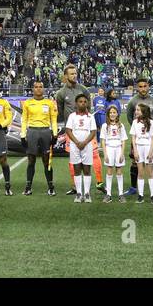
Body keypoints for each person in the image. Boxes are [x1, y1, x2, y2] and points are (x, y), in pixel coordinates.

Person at [53, 64, 95, 195]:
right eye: (71, 74)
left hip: (86, 131)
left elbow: (89, 106)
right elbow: (59, 112)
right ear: (65, 76)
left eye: (75, 73)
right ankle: (75, 187)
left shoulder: (84, 89)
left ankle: (89, 187)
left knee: (89, 159)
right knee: (74, 161)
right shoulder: (60, 93)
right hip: (71, 132)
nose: (74, 75)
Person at [125, 77, 153, 197]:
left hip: (151, 137)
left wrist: (151, 131)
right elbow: (129, 117)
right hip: (138, 137)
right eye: (140, 86)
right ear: (137, 87)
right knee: (134, 161)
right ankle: (133, 188)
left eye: (145, 86)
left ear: (148, 86)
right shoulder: (133, 101)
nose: (143, 89)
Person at [21, 80, 58, 196]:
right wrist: (23, 135)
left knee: (47, 161)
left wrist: (55, 134)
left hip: (45, 131)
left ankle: (51, 187)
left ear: (43, 89)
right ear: (33, 89)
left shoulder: (50, 103)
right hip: (32, 131)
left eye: (40, 87)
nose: (38, 89)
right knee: (31, 160)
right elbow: (24, 120)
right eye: (36, 87)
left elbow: (53, 120)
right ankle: (28, 187)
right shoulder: (27, 103)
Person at [65, 94, 97, 203]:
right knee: (77, 168)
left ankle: (87, 193)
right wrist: (77, 142)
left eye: (84, 101)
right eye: (80, 101)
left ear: (87, 103)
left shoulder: (91, 116)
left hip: (87, 145)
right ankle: (79, 193)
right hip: (75, 146)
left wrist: (84, 142)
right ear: (76, 103)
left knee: (87, 169)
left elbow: (93, 132)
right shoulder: (72, 116)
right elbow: (68, 130)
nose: (82, 103)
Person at [129, 103, 153, 203]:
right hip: (139, 148)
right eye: (136, 109)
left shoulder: (152, 122)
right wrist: (135, 151)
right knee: (140, 172)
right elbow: (133, 137)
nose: (136, 111)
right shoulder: (134, 122)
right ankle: (140, 195)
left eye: (138, 110)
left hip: (148, 148)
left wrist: (151, 152)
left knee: (150, 173)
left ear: (144, 111)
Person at [99, 104, 127, 202]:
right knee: (109, 170)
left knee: (119, 171)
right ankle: (108, 194)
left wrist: (122, 153)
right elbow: (103, 141)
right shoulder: (104, 126)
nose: (112, 114)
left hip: (118, 149)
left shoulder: (121, 125)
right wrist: (105, 154)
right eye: (110, 112)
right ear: (108, 114)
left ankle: (121, 194)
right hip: (109, 149)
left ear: (117, 114)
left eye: (114, 112)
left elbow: (123, 140)